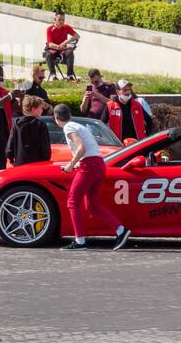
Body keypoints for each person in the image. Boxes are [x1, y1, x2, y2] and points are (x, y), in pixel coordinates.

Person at [56, 103, 130, 252]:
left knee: (72, 202)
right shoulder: (78, 125)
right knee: (92, 204)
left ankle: (80, 241)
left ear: (56, 118)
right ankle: (121, 230)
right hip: (98, 164)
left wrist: (71, 165)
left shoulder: (68, 127)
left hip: (89, 166)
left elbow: (81, 147)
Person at [7, 95, 53, 166]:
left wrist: (10, 158)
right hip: (37, 164)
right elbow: (45, 147)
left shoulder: (16, 124)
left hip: (20, 162)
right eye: (40, 108)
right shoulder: (40, 125)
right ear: (33, 109)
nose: (42, 110)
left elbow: (10, 144)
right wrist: (46, 160)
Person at [43, 10, 79, 81]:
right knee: (49, 54)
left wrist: (66, 42)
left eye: (63, 20)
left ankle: (70, 75)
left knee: (70, 52)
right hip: (53, 49)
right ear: (55, 20)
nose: (61, 21)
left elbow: (77, 36)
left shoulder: (66, 27)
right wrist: (59, 47)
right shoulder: (50, 29)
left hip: (63, 49)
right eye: (59, 20)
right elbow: (50, 44)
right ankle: (53, 75)